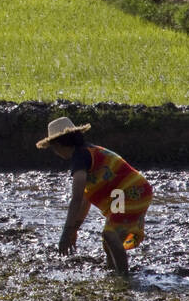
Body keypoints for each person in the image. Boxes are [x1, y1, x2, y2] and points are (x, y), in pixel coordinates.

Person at [38, 116, 151, 277]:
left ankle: (124, 278)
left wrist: (66, 233)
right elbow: (85, 199)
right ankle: (114, 273)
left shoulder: (81, 157)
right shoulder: (89, 152)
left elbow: (76, 198)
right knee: (110, 240)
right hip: (126, 193)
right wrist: (75, 228)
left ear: (58, 145)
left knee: (110, 234)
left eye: (53, 148)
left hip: (131, 192)